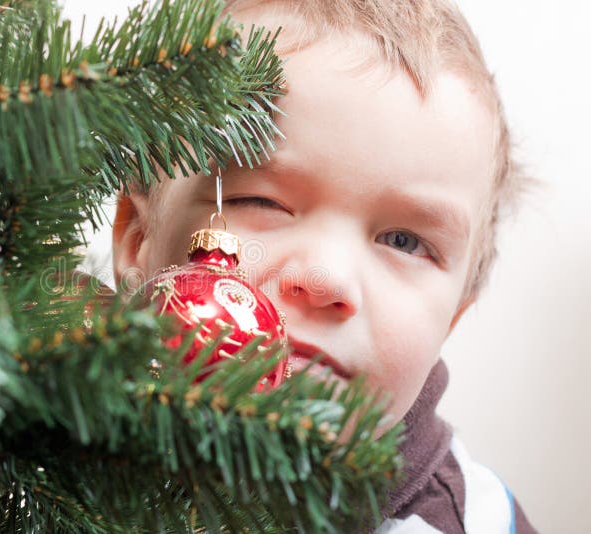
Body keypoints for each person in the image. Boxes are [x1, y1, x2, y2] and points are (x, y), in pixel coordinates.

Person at [110, 0, 537, 531]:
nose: (325, 278)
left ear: (450, 321)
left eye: (403, 241)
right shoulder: (17, 451)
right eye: (261, 202)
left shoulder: (477, 522)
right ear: (138, 240)